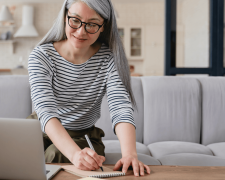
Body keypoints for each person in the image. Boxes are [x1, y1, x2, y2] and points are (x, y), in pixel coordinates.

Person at [27, 0, 151, 177]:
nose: (81, 31)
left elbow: (120, 107)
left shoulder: (109, 59)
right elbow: (45, 111)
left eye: (92, 24)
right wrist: (75, 155)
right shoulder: (41, 56)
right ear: (64, 16)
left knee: (54, 154)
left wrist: (130, 154)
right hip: (38, 128)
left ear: (103, 27)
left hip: (82, 135)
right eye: (75, 20)